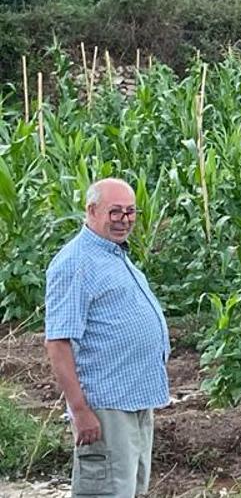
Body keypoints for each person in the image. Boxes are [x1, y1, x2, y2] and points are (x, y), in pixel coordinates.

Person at [45, 178, 170, 497]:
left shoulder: (113, 254)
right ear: (91, 210)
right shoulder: (76, 263)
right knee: (106, 491)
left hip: (134, 401)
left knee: (128, 489)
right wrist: (80, 411)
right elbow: (58, 343)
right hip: (104, 407)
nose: (124, 220)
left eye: (130, 212)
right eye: (115, 212)